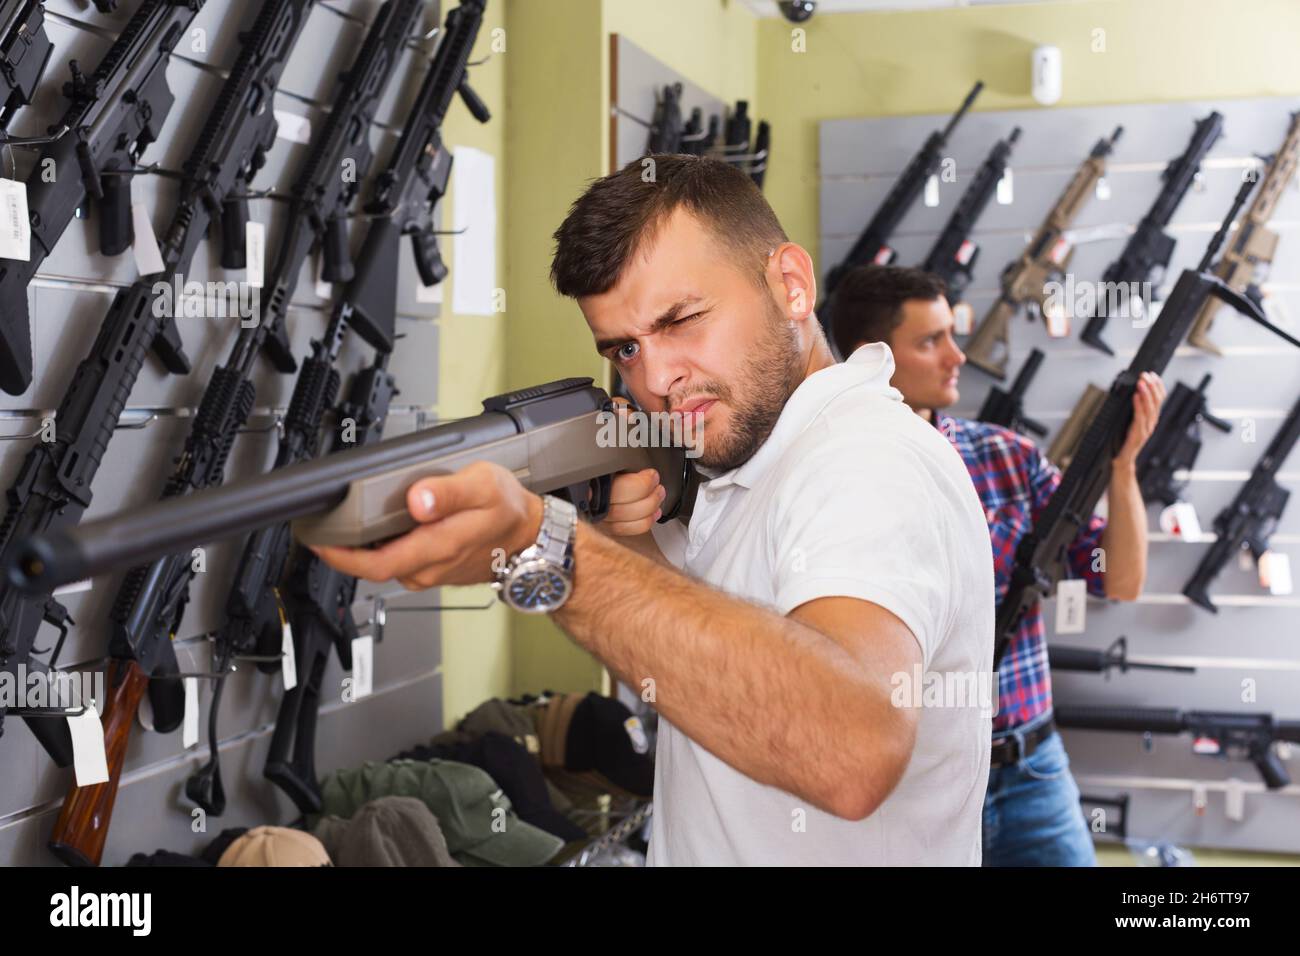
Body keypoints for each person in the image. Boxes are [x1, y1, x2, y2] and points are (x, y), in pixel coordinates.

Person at [309, 155, 996, 865]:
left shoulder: (866, 457)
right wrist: (612, 532)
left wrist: (553, 551)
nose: (657, 379)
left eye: (683, 319)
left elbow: (852, 752)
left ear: (790, 285)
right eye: (626, 347)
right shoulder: (742, 470)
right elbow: (716, 656)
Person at [830, 264, 1165, 867]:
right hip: (916, 783)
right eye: (931, 341)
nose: (957, 355)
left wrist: (1124, 467)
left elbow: (1120, 577)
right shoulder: (831, 477)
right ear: (871, 357)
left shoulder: (1005, 459)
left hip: (1030, 768)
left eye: (952, 334)